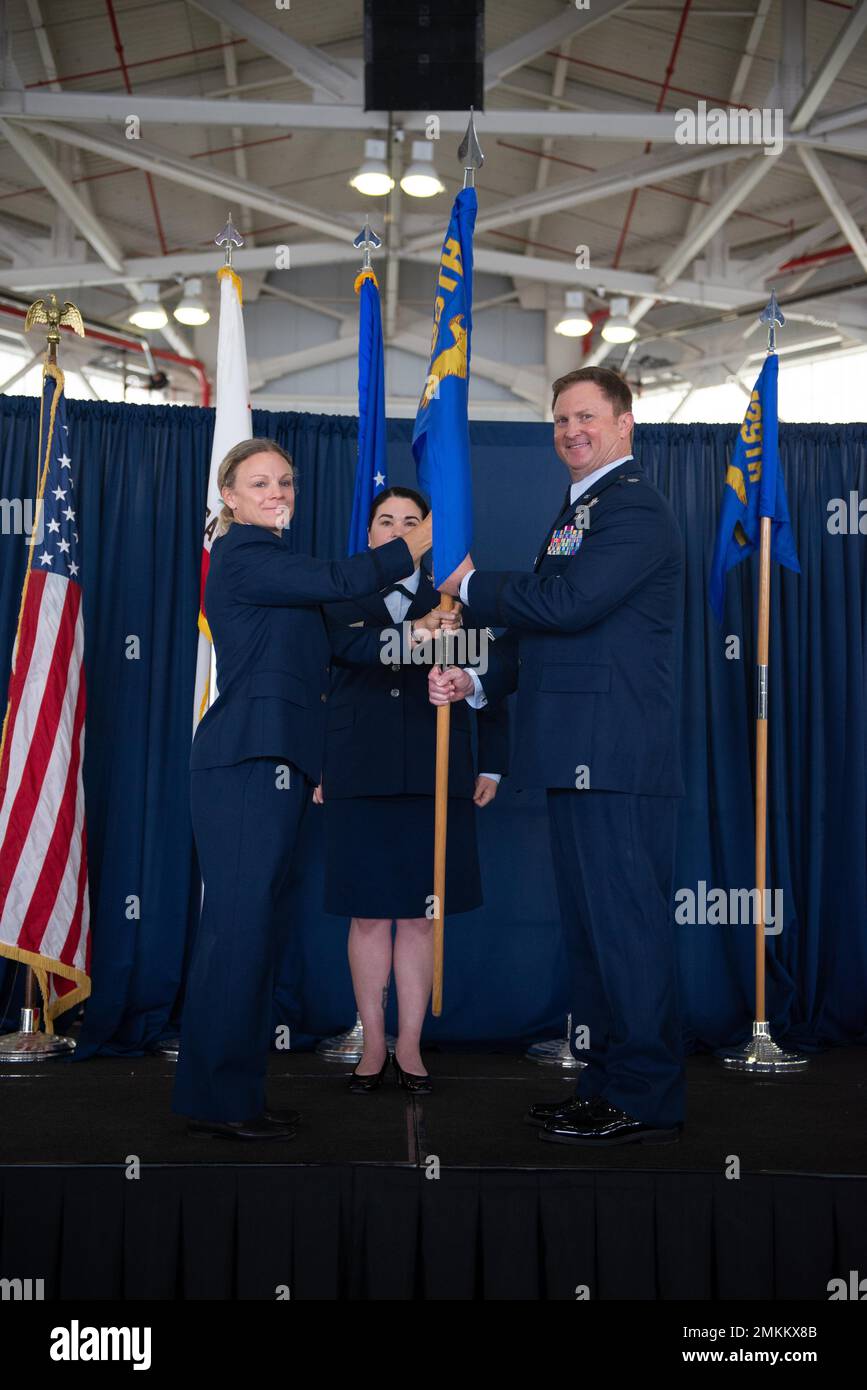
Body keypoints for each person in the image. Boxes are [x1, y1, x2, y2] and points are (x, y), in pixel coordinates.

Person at [431, 366, 686, 1146]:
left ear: (622, 424)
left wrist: (472, 585)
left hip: (615, 756)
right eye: (560, 419)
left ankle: (645, 1095)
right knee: (591, 936)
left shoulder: (634, 509)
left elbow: (569, 605)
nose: (570, 430)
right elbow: (545, 634)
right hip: (576, 755)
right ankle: (604, 1082)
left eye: (585, 416)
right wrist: (475, 675)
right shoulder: (577, 511)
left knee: (626, 931)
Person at [171, 439, 433, 1140]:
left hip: (273, 764)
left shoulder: (277, 565)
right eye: (260, 483)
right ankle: (221, 1101)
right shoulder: (245, 554)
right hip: (247, 762)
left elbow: (346, 643)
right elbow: (346, 578)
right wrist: (414, 544)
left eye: (284, 481)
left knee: (249, 934)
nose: (277, 492)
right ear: (228, 496)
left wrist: (425, 631)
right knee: (239, 933)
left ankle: (228, 1094)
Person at [316, 486, 510, 1094]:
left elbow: (497, 673)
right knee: (370, 915)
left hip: (437, 771)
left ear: (431, 534)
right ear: (369, 534)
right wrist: (314, 765)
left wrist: (492, 762)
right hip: (357, 770)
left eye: (412, 521)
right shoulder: (341, 592)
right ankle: (372, 1044)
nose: (398, 530)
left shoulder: (455, 594)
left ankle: (410, 1046)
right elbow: (342, 654)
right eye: (386, 521)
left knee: (423, 918)